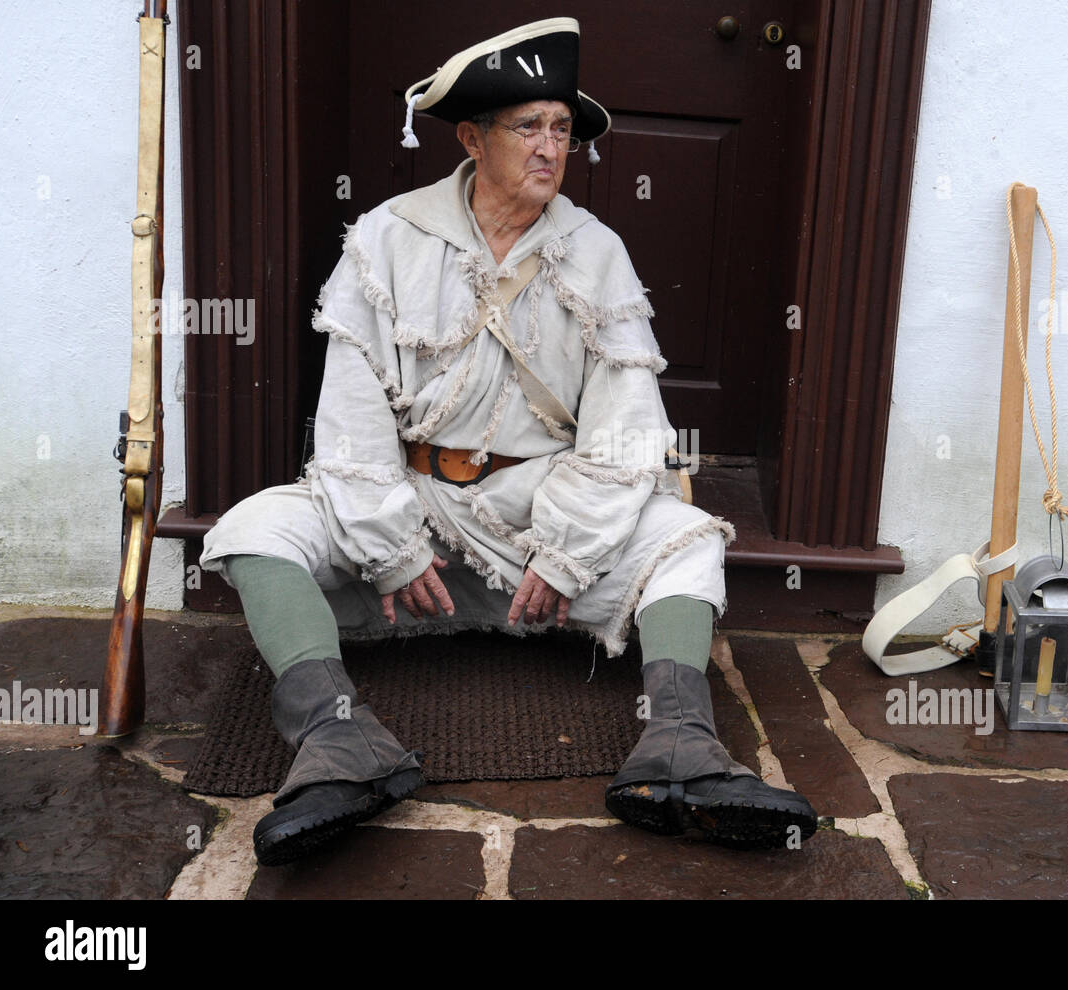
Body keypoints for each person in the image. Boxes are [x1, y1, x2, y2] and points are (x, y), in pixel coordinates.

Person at [199, 16, 817, 866]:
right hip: (411, 522)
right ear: (471, 138)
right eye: (529, 126)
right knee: (256, 531)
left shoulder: (596, 252)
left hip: (537, 525)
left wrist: (565, 553)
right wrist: (390, 549)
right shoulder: (388, 237)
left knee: (683, 541)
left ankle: (679, 747)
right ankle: (338, 742)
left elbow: (626, 433)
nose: (550, 147)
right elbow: (350, 421)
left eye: (562, 129)